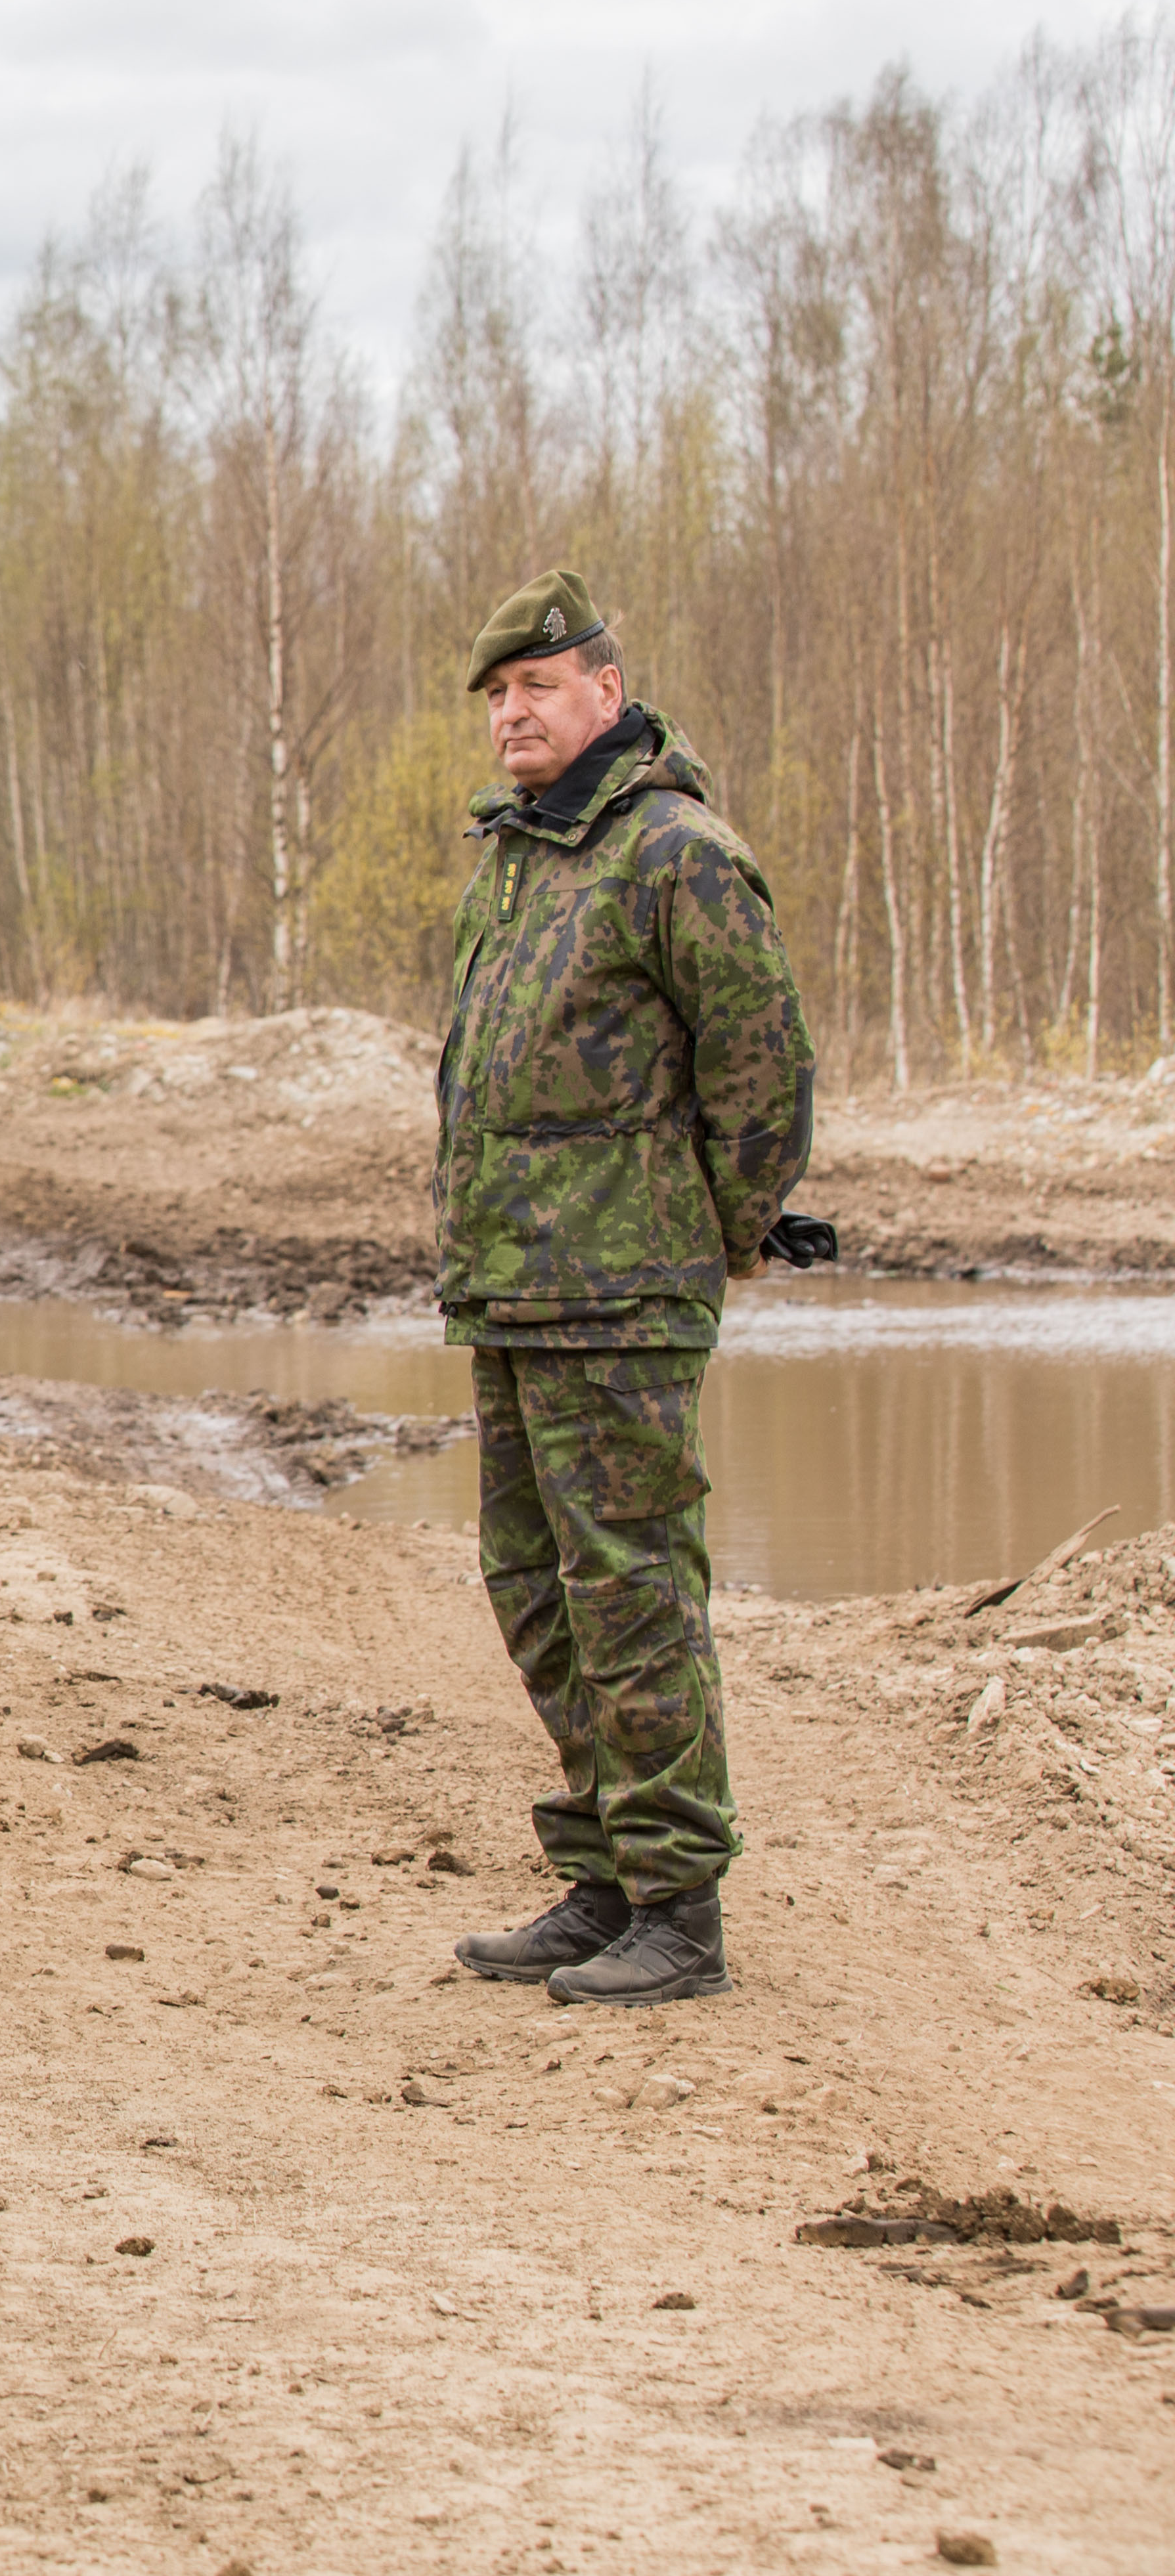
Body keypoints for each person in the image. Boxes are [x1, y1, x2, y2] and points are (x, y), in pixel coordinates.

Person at [437, 571, 812, 2011]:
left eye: (534, 686)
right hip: (515, 1287)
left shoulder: (676, 853)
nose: (511, 714)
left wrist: (711, 1231)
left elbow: (763, 1069)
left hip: (620, 1290)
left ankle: (679, 1905)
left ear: (606, 688)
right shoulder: (524, 856)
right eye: (495, 696)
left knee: (634, 1590)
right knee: (538, 1590)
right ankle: (603, 1873)